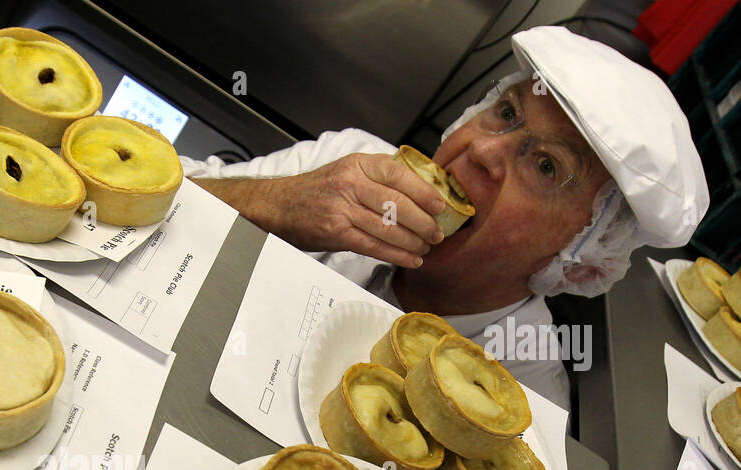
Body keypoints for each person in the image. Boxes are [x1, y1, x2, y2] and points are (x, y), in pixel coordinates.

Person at [183, 26, 709, 408]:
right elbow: (153, 192)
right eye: (505, 113)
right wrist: (275, 203)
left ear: (579, 263)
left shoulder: (520, 397)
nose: (482, 150)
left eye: (546, 166)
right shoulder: (348, 159)